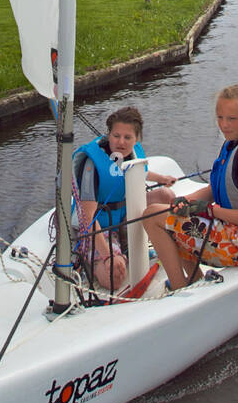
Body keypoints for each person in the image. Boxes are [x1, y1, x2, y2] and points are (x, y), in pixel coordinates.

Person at [144, 84, 238, 290]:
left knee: (152, 217)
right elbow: (215, 189)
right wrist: (187, 200)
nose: (224, 125)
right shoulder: (234, 143)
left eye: (232, 119)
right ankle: (194, 282)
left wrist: (208, 210)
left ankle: (178, 288)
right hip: (233, 232)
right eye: (220, 117)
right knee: (168, 215)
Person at [73, 106, 177, 291]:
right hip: (101, 224)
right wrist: (107, 256)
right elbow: (88, 217)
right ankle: (93, 262)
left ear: (137, 138)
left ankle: (153, 242)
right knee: (114, 279)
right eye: (116, 135)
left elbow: (137, 171)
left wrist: (161, 179)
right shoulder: (92, 165)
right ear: (109, 134)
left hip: (124, 213)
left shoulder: (133, 152)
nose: (121, 142)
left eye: (127, 137)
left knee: (166, 196)